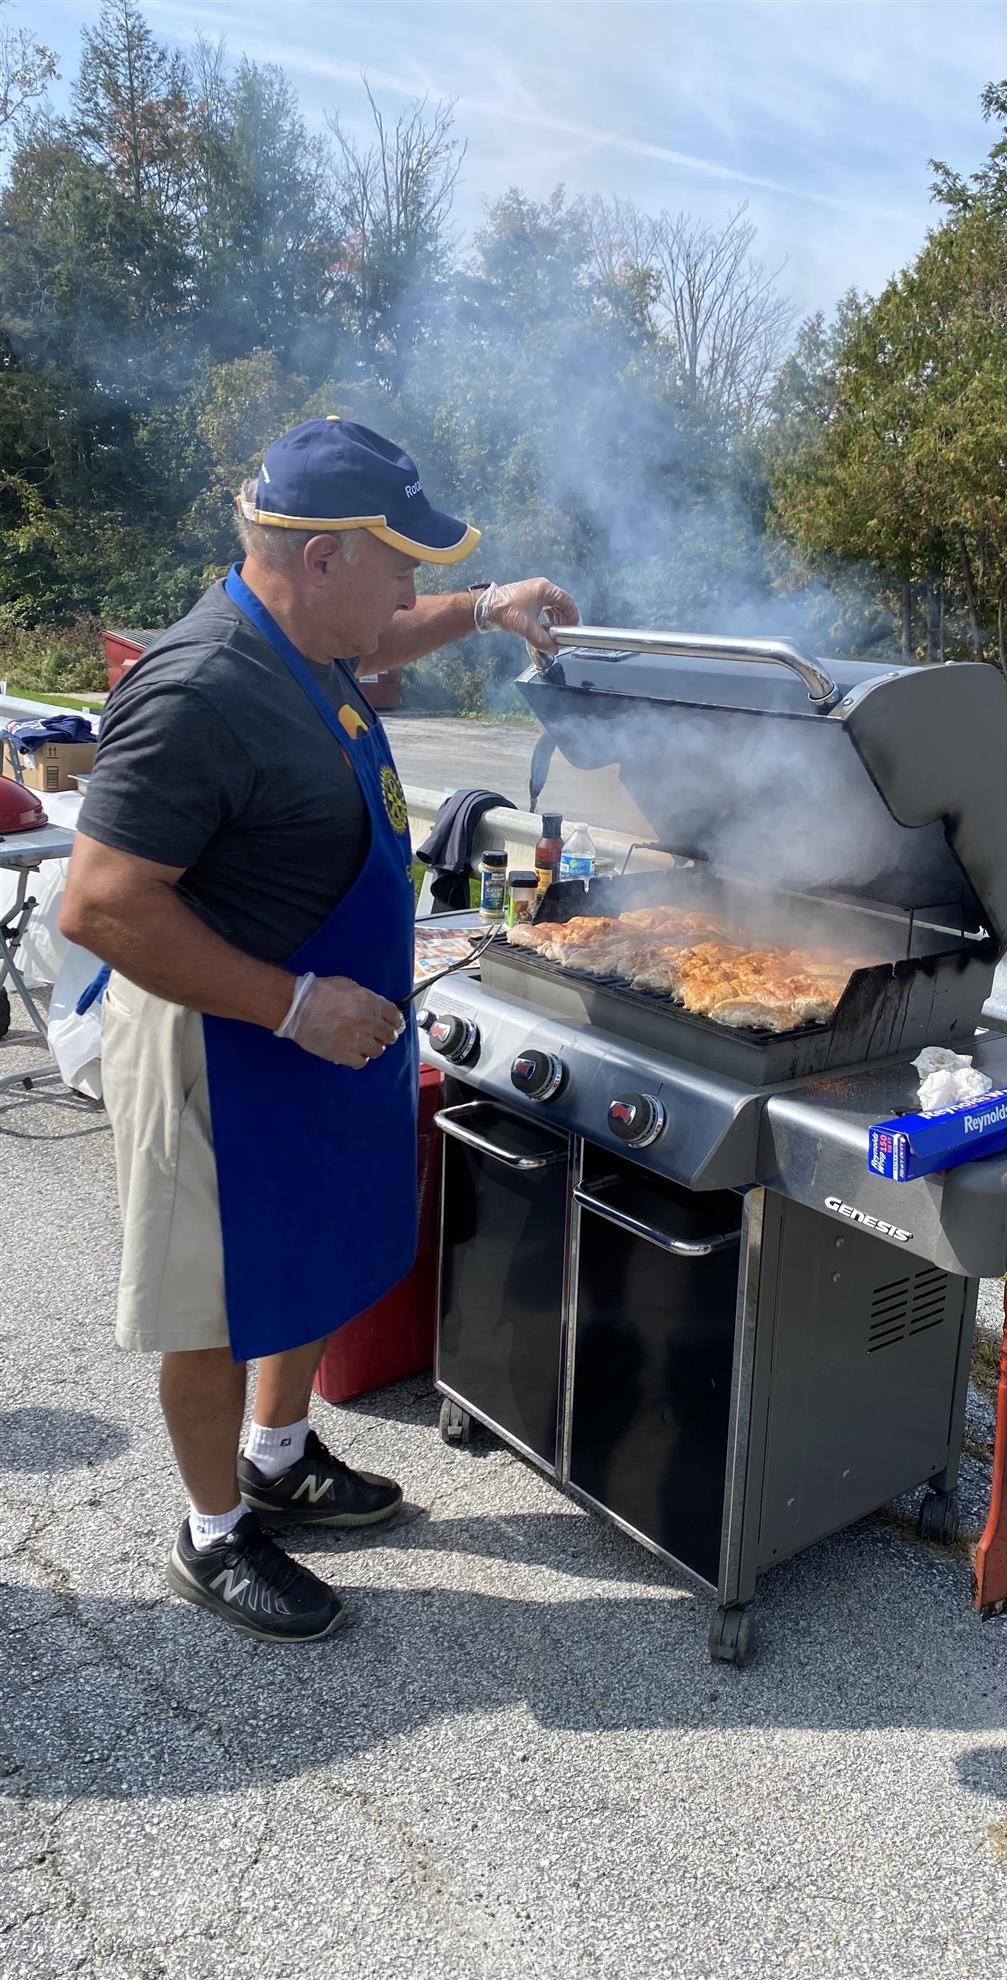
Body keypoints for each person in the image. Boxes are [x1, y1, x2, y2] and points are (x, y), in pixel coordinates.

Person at [60, 417, 579, 1643]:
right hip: (219, 1044)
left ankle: (278, 1455)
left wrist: (491, 605)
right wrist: (293, 1004)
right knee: (214, 1301)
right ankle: (212, 1530)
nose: (412, 593)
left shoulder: (314, 637)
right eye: (401, 565)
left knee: (300, 1256)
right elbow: (100, 902)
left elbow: (393, 629)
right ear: (326, 554)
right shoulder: (199, 688)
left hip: (319, 1034)